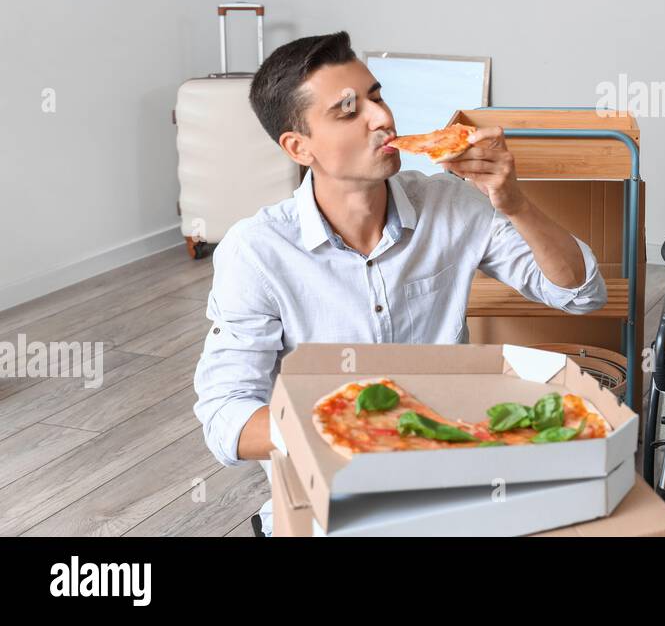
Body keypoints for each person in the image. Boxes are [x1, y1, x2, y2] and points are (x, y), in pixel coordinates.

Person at [192, 31, 606, 535]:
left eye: (376, 95)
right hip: (326, 502)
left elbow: (580, 294)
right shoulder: (256, 251)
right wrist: (356, 429)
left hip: (450, 484)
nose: (382, 118)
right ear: (299, 147)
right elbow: (227, 419)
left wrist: (515, 202)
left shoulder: (451, 205)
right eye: (348, 111)